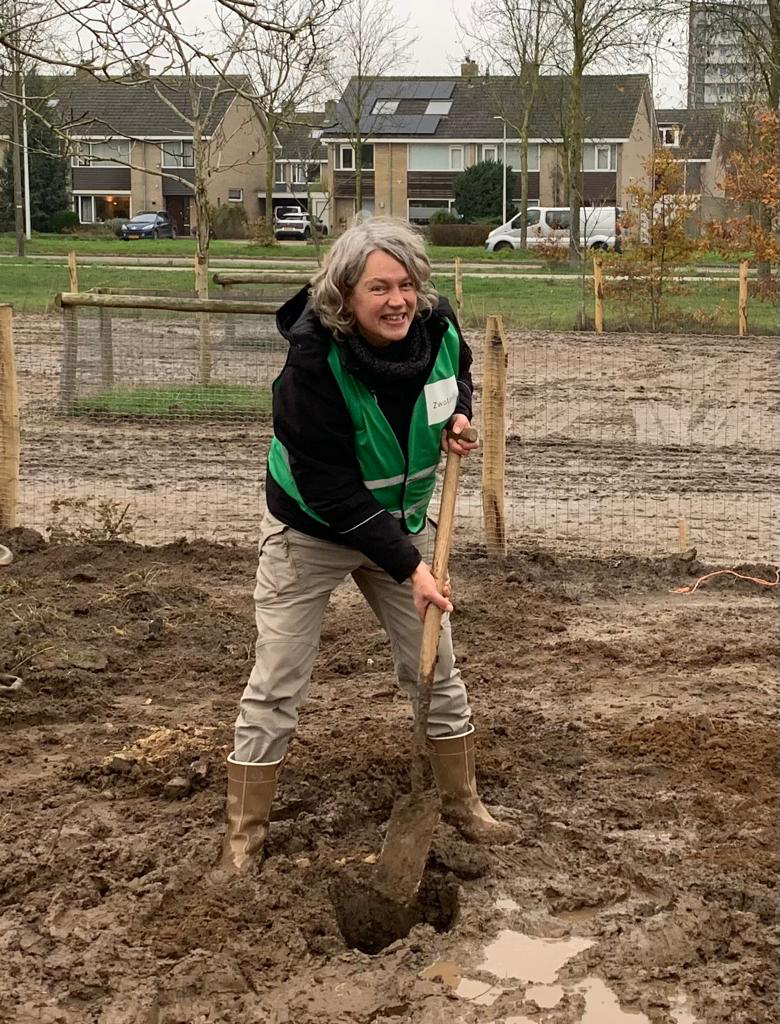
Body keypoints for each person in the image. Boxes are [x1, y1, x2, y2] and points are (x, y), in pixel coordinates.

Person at [220, 217, 516, 875]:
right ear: (345, 296)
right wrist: (409, 565)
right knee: (278, 682)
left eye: (407, 284)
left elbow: (458, 377)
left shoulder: (438, 330)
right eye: (379, 287)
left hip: (404, 520)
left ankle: (461, 802)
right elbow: (331, 488)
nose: (398, 300)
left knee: (435, 670)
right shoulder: (311, 364)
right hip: (314, 529)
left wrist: (460, 415)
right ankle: (245, 838)